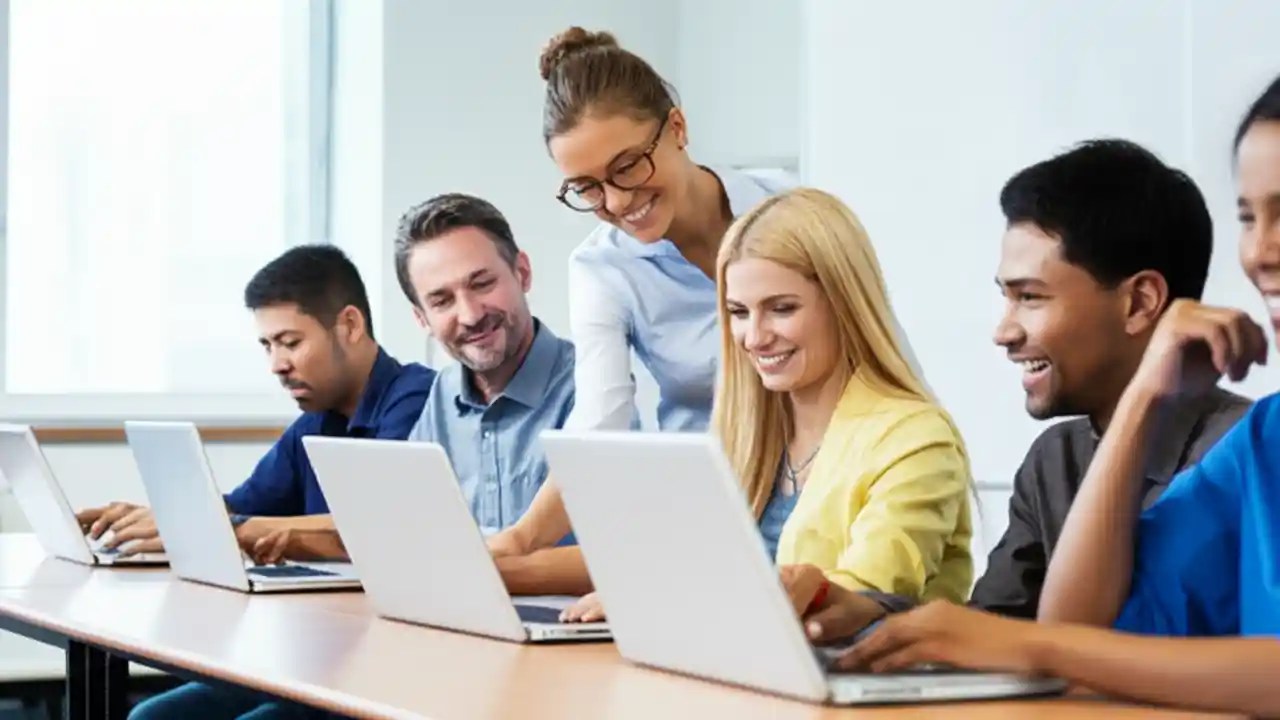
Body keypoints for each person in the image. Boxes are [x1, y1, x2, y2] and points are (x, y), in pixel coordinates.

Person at [789, 75, 1280, 718]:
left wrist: (1045, 652)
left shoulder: (1231, 438)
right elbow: (1068, 627)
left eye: (1030, 296)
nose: (1259, 252)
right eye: (1249, 217)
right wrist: (1143, 398)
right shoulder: (1261, 444)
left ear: (1140, 301)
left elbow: (1054, 647)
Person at [489, 26, 926, 561]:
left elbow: (883, 353)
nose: (618, 200)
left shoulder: (790, 210)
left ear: (677, 126)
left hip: (834, 490)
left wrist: (916, 466)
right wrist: (521, 538)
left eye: (627, 166)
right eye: (587, 188)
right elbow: (599, 425)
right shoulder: (604, 267)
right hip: (715, 509)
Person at [563, 188, 972, 622]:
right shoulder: (744, 436)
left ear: (844, 304)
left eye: (781, 309)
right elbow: (683, 572)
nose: (754, 337)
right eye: (739, 312)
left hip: (853, 681)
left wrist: (675, 602)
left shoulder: (916, 440)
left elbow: (857, 600)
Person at [119, 245, 432, 719]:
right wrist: (158, 520)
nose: (276, 364)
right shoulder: (313, 423)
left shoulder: (418, 402)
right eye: (267, 346)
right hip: (314, 654)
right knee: (152, 717)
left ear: (349, 326)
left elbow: (376, 528)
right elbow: (240, 508)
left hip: (386, 664)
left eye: (290, 342)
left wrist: (233, 525)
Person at [246, 195, 592, 595]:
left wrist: (464, 576)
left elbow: (627, 556)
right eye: (441, 300)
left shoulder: (595, 389)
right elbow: (396, 530)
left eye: (482, 284)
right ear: (420, 317)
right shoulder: (442, 396)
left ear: (523, 273)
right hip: (457, 623)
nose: (470, 314)